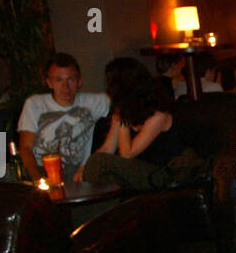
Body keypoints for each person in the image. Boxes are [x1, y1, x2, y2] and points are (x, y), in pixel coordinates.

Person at [77, 57, 205, 191]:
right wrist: (85, 166)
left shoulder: (158, 116)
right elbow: (107, 148)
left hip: (164, 173)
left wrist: (123, 118)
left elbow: (127, 153)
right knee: (97, 163)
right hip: (140, 173)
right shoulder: (121, 115)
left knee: (99, 162)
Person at [16, 53, 111, 183]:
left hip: (76, 173)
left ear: (79, 81)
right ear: (49, 82)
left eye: (70, 79)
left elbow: (125, 105)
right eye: (58, 80)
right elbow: (26, 148)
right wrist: (38, 180)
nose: (65, 87)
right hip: (42, 169)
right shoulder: (35, 104)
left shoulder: (95, 102)